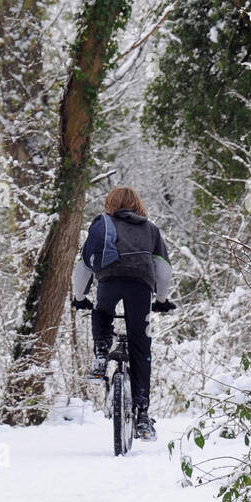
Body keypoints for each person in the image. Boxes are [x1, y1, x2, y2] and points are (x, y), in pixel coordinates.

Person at [72, 184, 174, 441]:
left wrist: (80, 296)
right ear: (137, 204)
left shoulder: (103, 224)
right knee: (141, 346)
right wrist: (161, 299)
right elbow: (162, 269)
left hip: (109, 281)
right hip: (140, 286)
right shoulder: (150, 229)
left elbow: (85, 263)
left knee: (102, 312)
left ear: (111, 203)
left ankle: (100, 355)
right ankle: (142, 417)